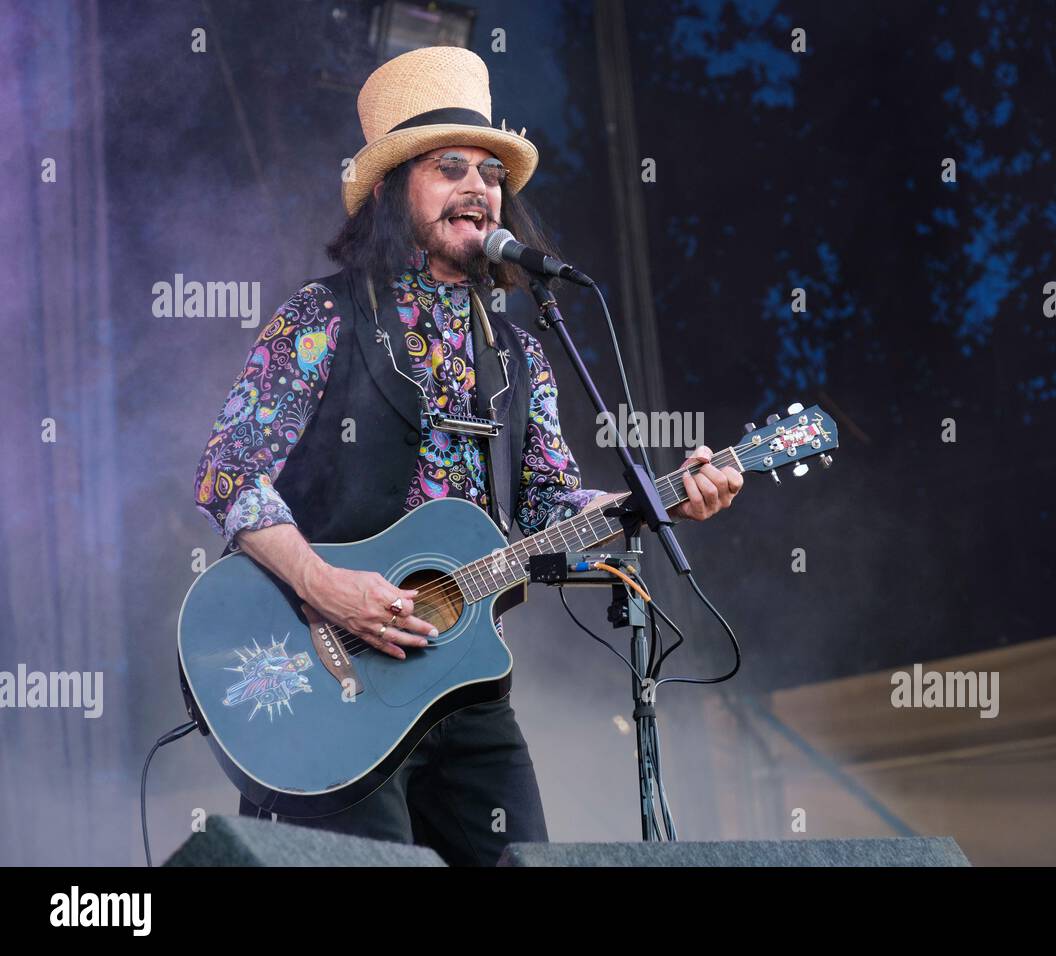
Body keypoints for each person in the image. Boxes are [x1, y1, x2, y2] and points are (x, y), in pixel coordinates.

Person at [192, 47, 742, 865]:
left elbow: (554, 506)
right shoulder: (325, 315)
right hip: (331, 682)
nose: (480, 188)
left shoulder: (520, 352)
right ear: (388, 190)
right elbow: (230, 475)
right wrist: (329, 589)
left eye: (491, 172)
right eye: (450, 168)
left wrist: (656, 499)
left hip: (465, 692)